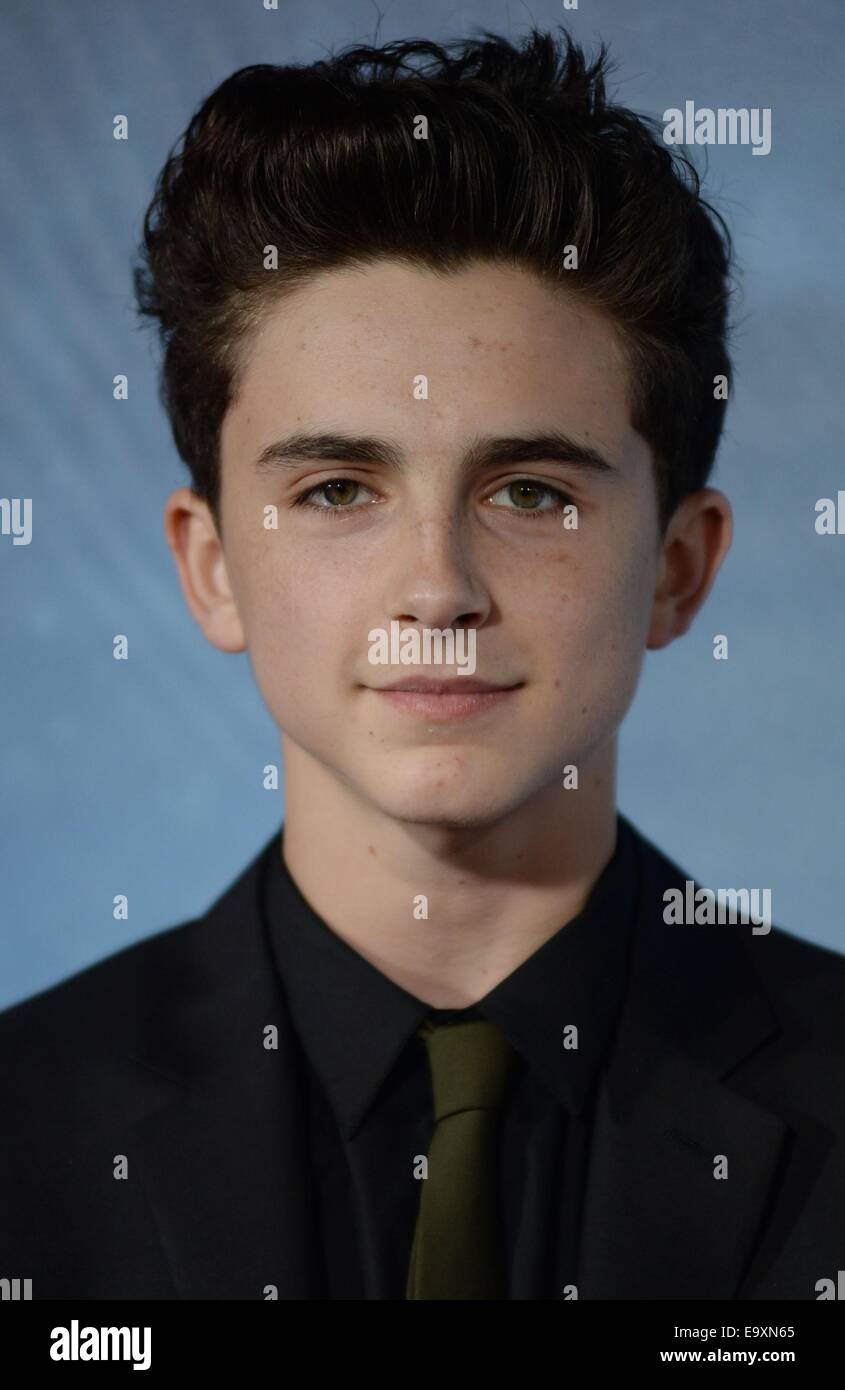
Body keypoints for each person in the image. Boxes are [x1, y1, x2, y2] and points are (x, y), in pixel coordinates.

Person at [2, 28, 844, 1301]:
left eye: (529, 489)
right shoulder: (24, 1130)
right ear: (211, 564)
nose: (436, 587)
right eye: (338, 487)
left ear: (677, 567)